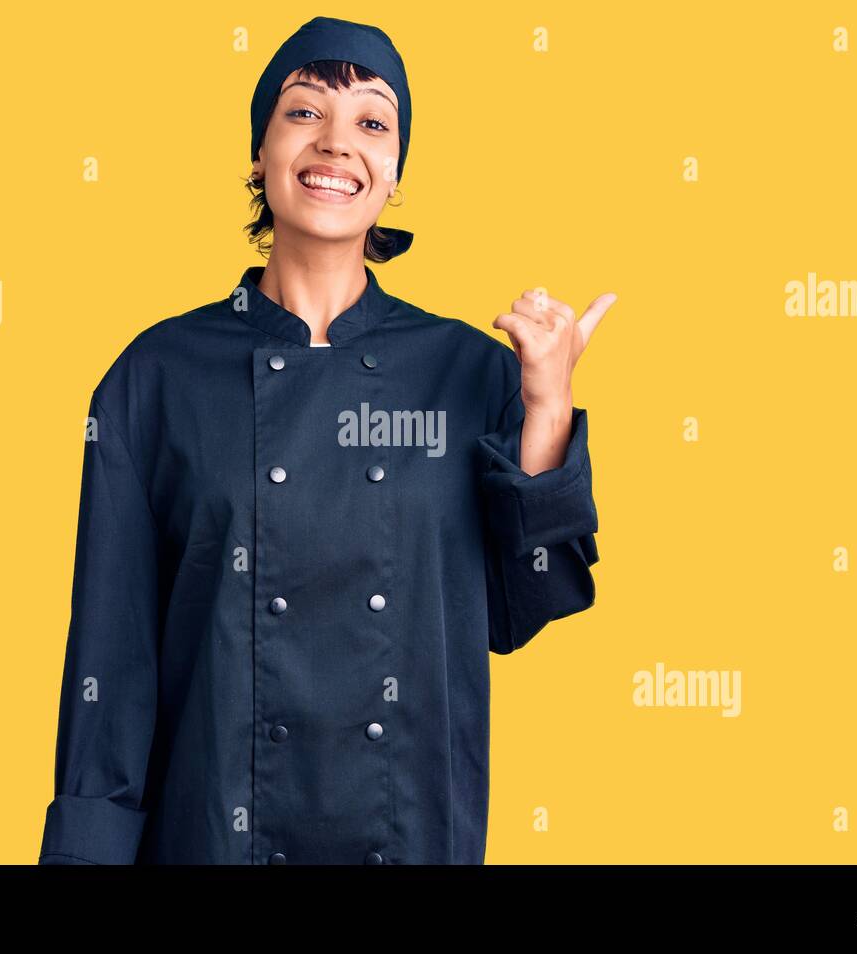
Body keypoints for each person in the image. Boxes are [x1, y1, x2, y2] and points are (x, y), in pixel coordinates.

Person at [38, 15, 616, 865]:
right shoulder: (155, 377)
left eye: (372, 123)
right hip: (211, 836)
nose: (337, 143)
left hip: (412, 834)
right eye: (304, 112)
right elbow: (112, 661)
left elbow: (521, 607)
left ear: (396, 175)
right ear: (260, 154)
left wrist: (548, 405)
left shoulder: (471, 372)